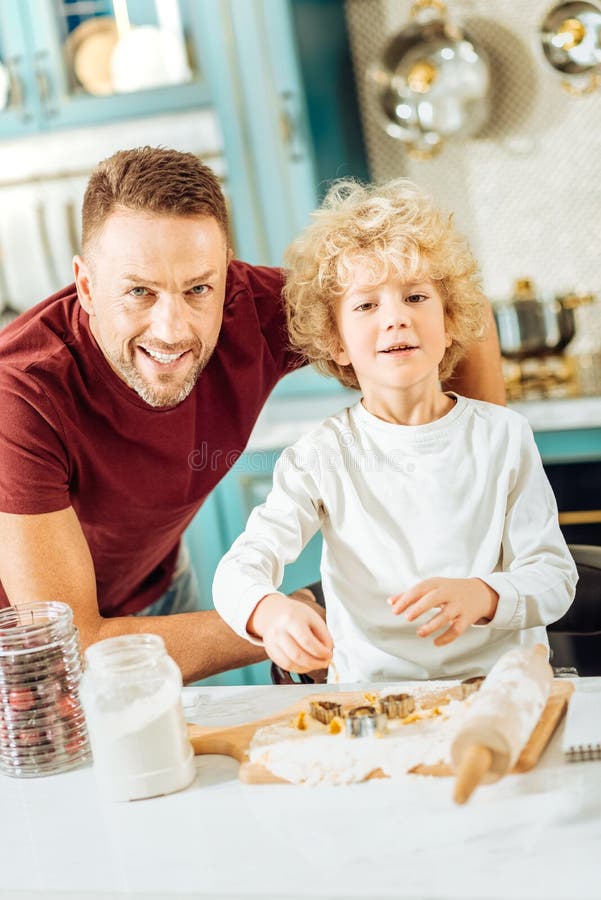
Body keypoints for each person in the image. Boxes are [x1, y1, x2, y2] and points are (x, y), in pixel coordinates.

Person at [0, 150, 505, 685]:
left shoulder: (254, 308)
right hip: (30, 645)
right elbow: (73, 646)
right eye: (138, 292)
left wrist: (470, 489)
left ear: (226, 274)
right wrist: (297, 618)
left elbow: (460, 313)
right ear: (85, 285)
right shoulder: (22, 394)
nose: (172, 329)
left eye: (199, 288)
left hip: (163, 588)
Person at [212, 178, 577, 682]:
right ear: (335, 341)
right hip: (373, 699)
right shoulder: (320, 455)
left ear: (450, 322)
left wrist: (485, 595)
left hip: (501, 686)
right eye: (366, 305)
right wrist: (268, 613)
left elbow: (555, 577)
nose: (395, 319)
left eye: (415, 297)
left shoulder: (504, 437)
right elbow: (237, 571)